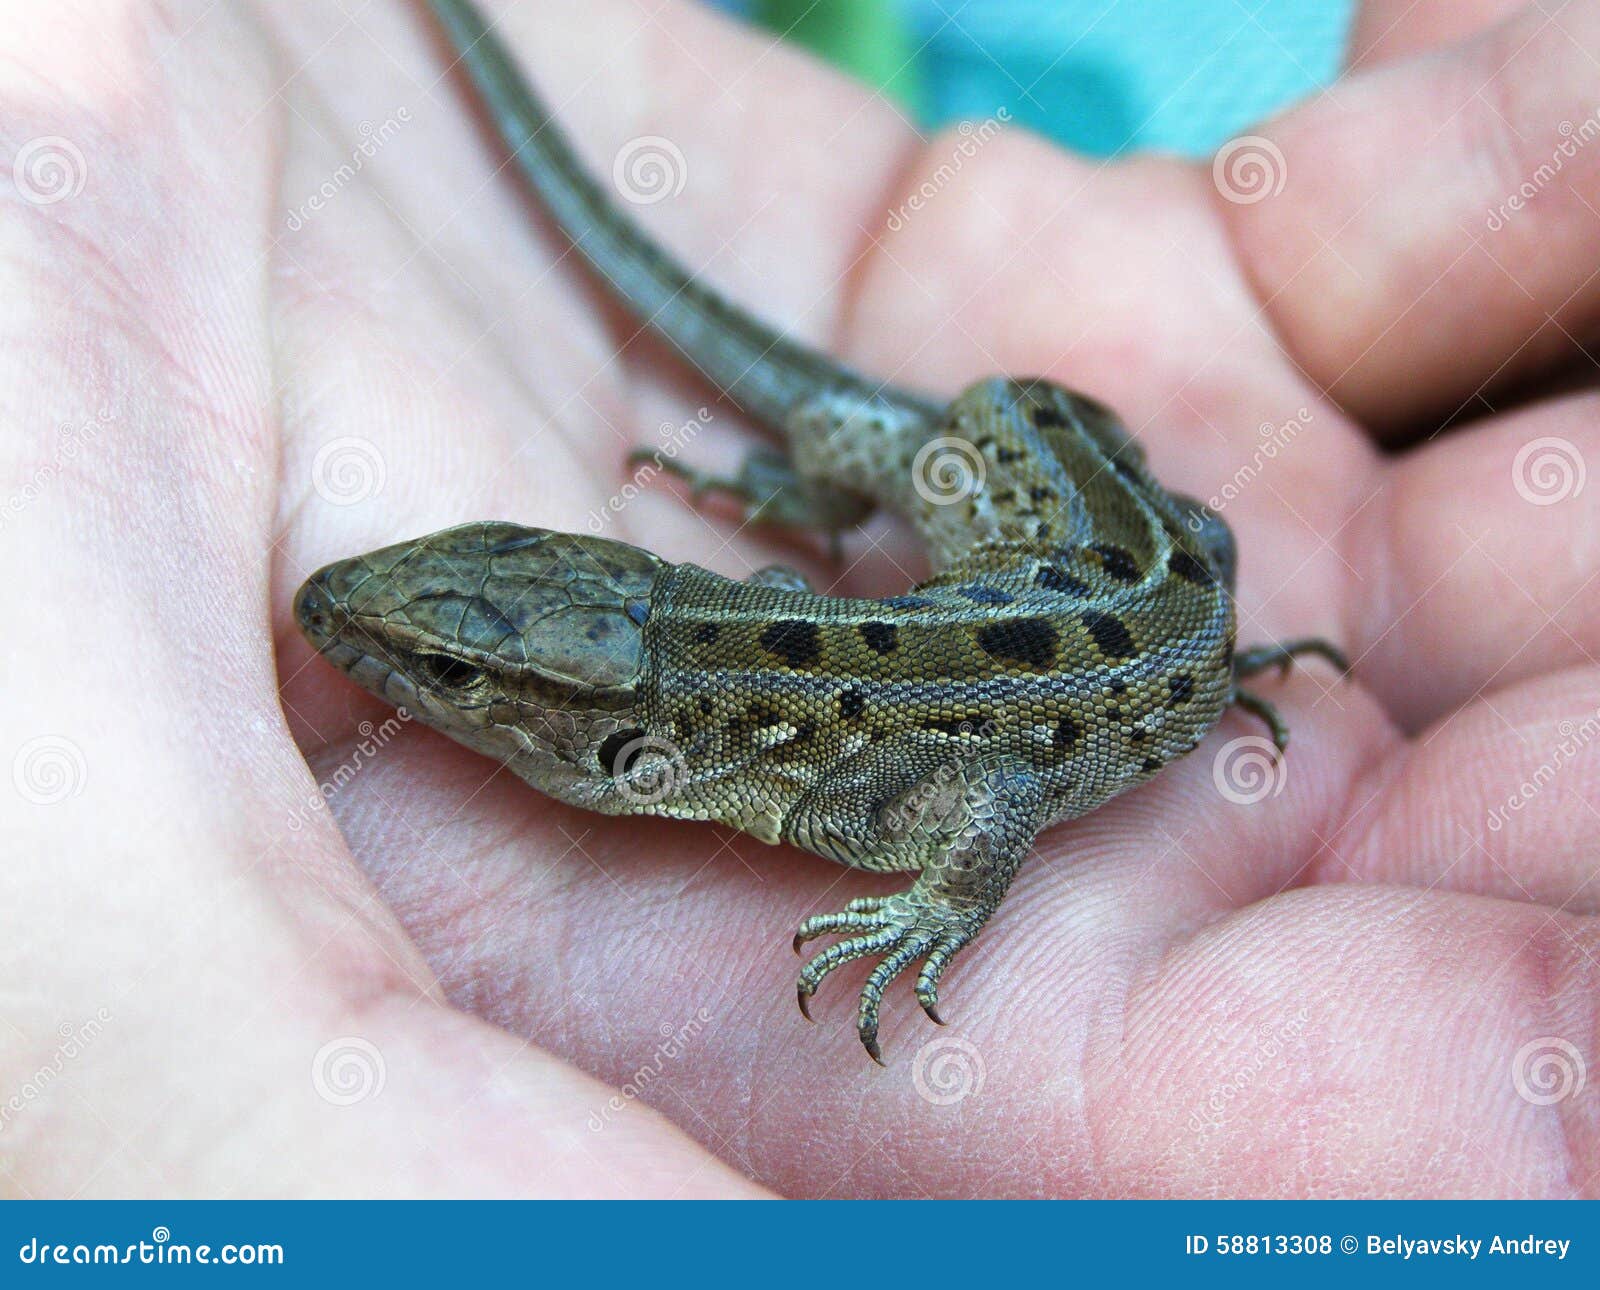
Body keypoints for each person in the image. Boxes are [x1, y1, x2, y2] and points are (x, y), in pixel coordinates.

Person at [4, 0, 1594, 1197]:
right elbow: (798, 619)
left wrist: (940, 906)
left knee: (981, 456)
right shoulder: (768, 724)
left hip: (1086, 525)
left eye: (448, 671)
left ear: (628, 750)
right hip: (1060, 527)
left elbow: (996, 785)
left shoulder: (849, 784)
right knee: (926, 457)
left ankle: (959, 510)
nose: (359, 631)